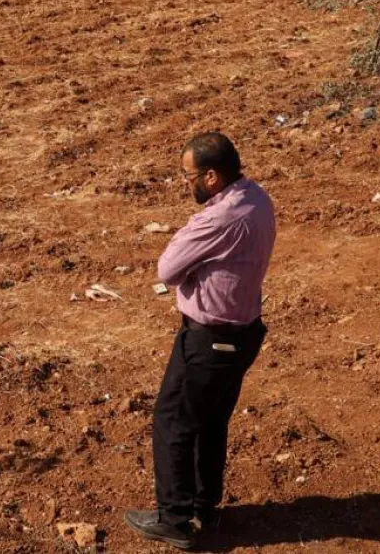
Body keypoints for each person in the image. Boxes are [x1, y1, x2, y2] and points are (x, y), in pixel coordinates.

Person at [124, 132, 276, 550]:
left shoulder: (217, 219)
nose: (185, 183)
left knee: (174, 420)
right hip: (243, 334)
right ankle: (203, 507)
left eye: (188, 175)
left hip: (209, 340)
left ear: (211, 176)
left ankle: (173, 518)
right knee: (210, 422)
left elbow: (168, 269)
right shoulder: (257, 197)